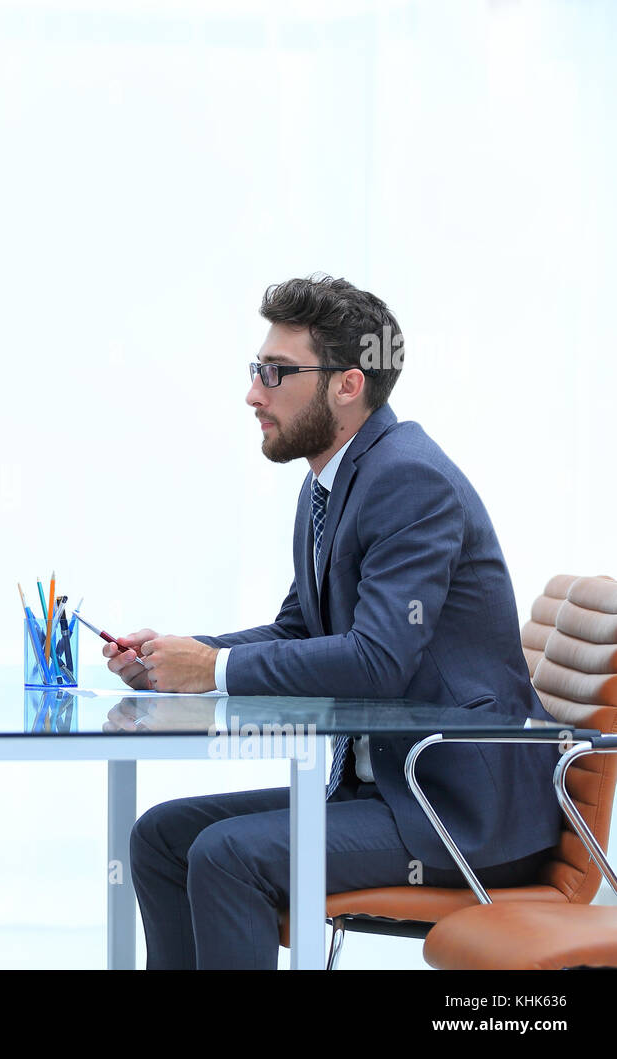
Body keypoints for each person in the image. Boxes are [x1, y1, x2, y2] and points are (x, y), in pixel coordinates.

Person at [105, 275, 560, 969]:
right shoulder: (331, 481)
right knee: (162, 837)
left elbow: (377, 659)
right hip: (390, 789)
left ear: (348, 385)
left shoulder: (410, 480)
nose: (253, 393)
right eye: (256, 369)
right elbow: (300, 632)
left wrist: (216, 670)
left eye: (275, 372)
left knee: (227, 856)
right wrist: (183, 655)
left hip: (460, 812)